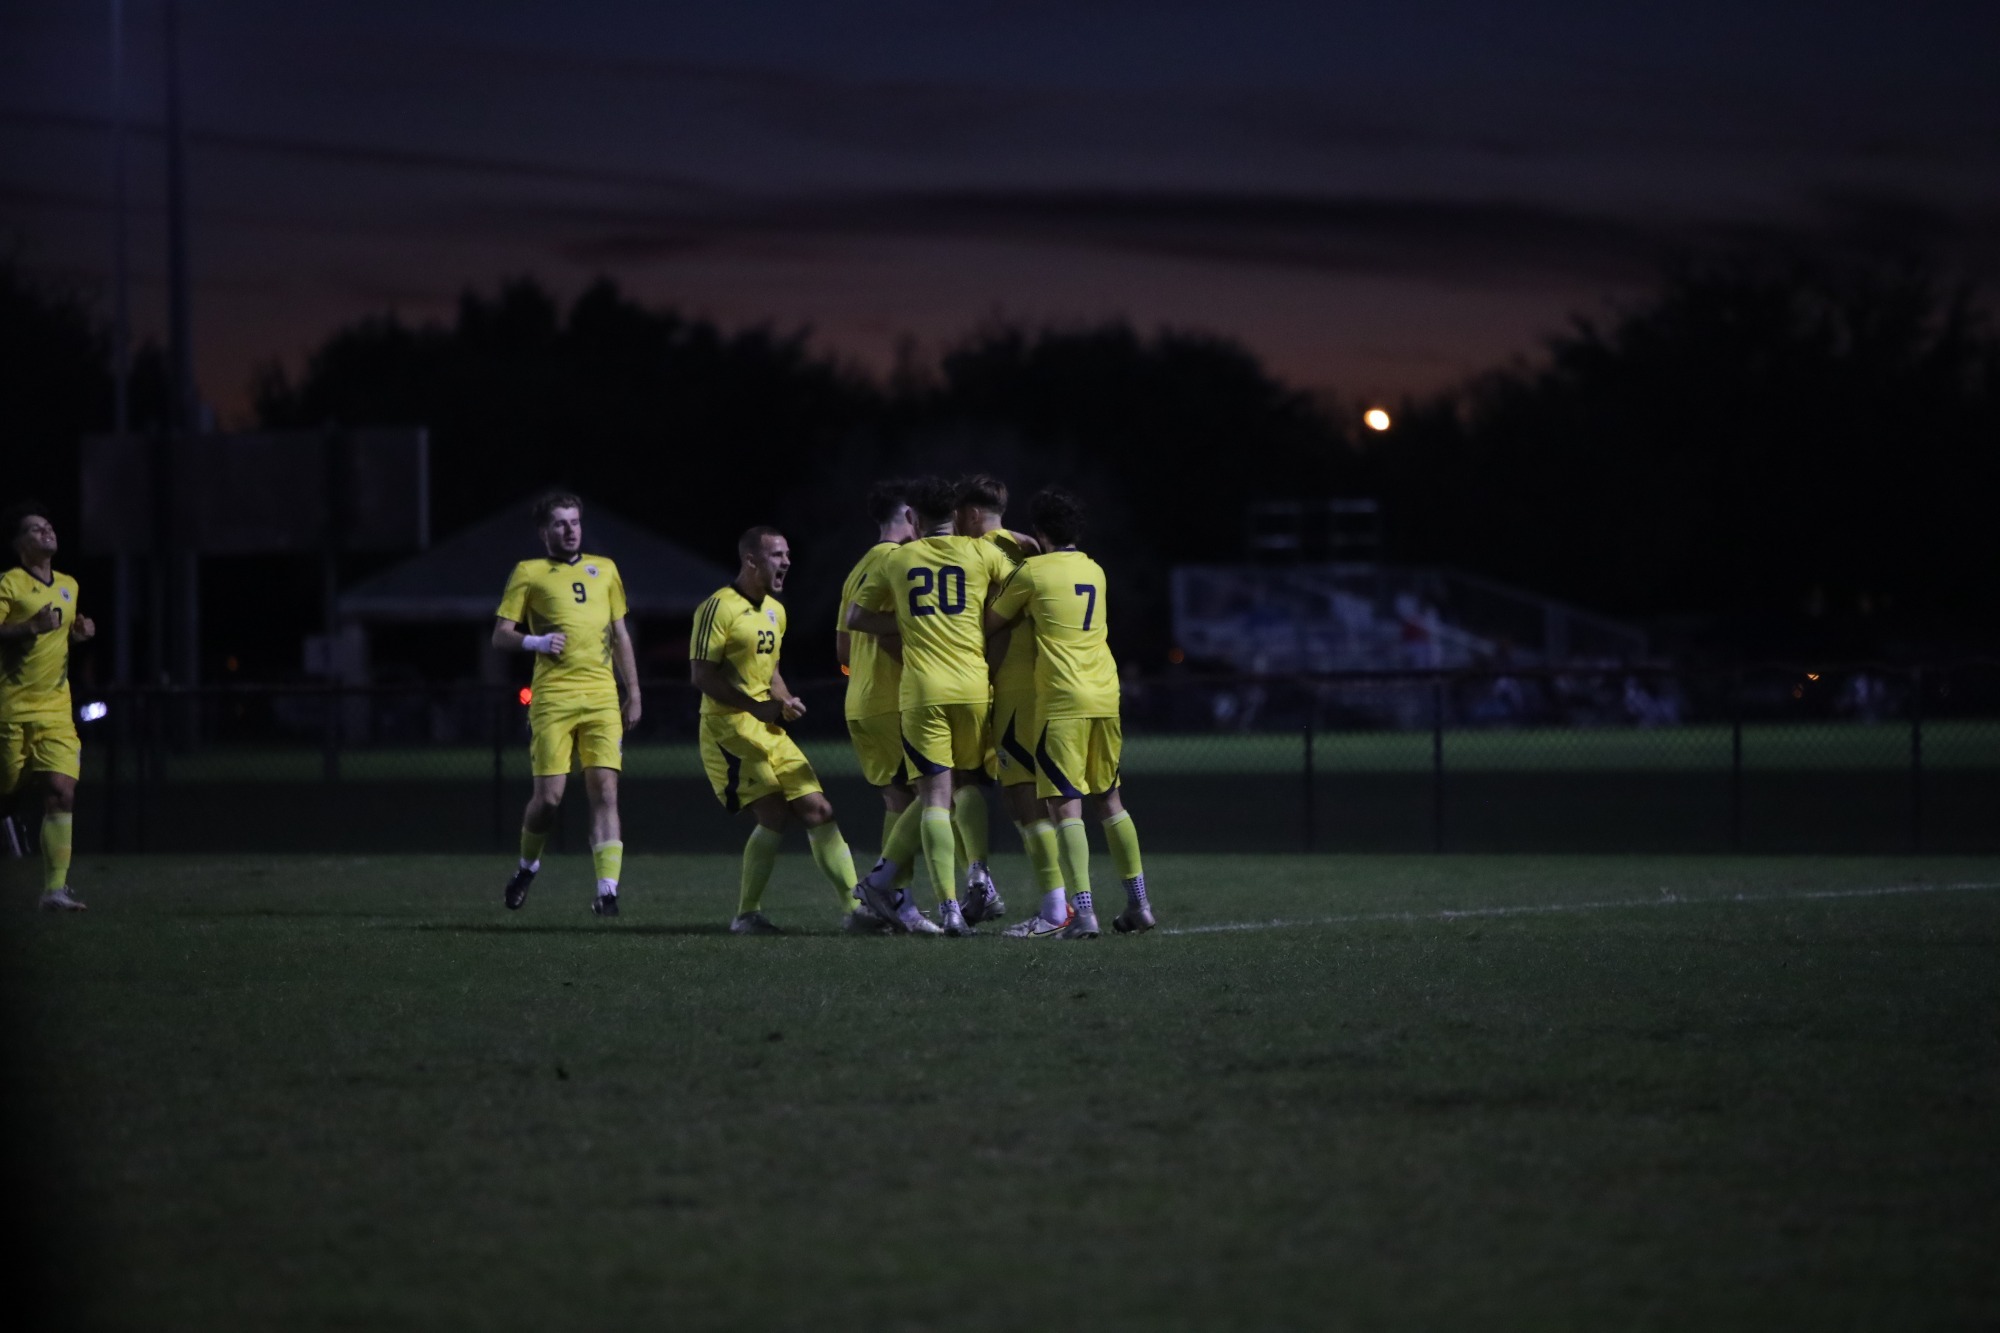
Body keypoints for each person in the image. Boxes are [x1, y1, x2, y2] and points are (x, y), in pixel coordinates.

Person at [847, 476, 1016, 936]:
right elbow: (1023, 579)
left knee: (934, 799)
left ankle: (947, 911)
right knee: (970, 786)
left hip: (922, 692)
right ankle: (978, 875)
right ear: (956, 516)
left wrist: (905, 622)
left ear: (913, 519)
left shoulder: (899, 559)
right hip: (974, 688)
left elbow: (855, 618)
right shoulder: (980, 553)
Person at [987, 487, 1154, 939]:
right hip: (1105, 693)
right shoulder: (1094, 570)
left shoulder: (1032, 574)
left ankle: (1082, 913)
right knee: (1111, 800)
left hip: (1063, 699)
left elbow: (990, 623)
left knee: (1064, 806)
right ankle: (1139, 904)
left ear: (1039, 531)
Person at [692, 526, 876, 934]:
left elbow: (770, 669)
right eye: (777, 554)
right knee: (774, 812)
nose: (786, 561)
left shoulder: (777, 610)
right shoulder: (717, 608)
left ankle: (856, 911)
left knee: (819, 810)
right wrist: (754, 706)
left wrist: (785, 699)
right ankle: (746, 915)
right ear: (751, 560)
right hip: (728, 730)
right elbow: (702, 675)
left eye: (787, 554)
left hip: (767, 727)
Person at [493, 492, 640, 916]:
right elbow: (500, 634)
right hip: (553, 697)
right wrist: (535, 640)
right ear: (544, 532)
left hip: (601, 696)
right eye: (560, 523)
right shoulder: (529, 572)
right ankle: (527, 865)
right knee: (549, 801)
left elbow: (621, 636)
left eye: (574, 521)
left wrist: (634, 692)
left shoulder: (605, 569)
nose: (570, 529)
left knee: (606, 790)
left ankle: (607, 892)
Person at [954, 472, 1064, 923]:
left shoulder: (981, 553)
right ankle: (1056, 900)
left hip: (1010, 684)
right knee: (1019, 795)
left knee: (1021, 794)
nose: (954, 524)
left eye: (958, 516)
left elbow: (989, 624)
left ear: (972, 514)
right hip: (1032, 680)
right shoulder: (1026, 549)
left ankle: (1057, 904)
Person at [0, 504, 95, 910]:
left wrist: (78, 635)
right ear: (20, 545)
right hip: (11, 710)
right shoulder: (10, 583)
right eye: (36, 529)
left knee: (60, 789)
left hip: (56, 710)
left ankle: (54, 891)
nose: (46, 531)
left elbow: (56, 641)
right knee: (6, 791)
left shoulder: (69, 586)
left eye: (49, 526)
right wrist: (28, 628)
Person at [834, 480, 921, 905]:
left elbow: (843, 649)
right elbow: (886, 635)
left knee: (899, 802)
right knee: (936, 796)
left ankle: (891, 902)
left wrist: (860, 674)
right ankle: (888, 893)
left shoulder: (859, 566)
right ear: (909, 517)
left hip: (861, 701)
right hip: (891, 700)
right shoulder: (897, 562)